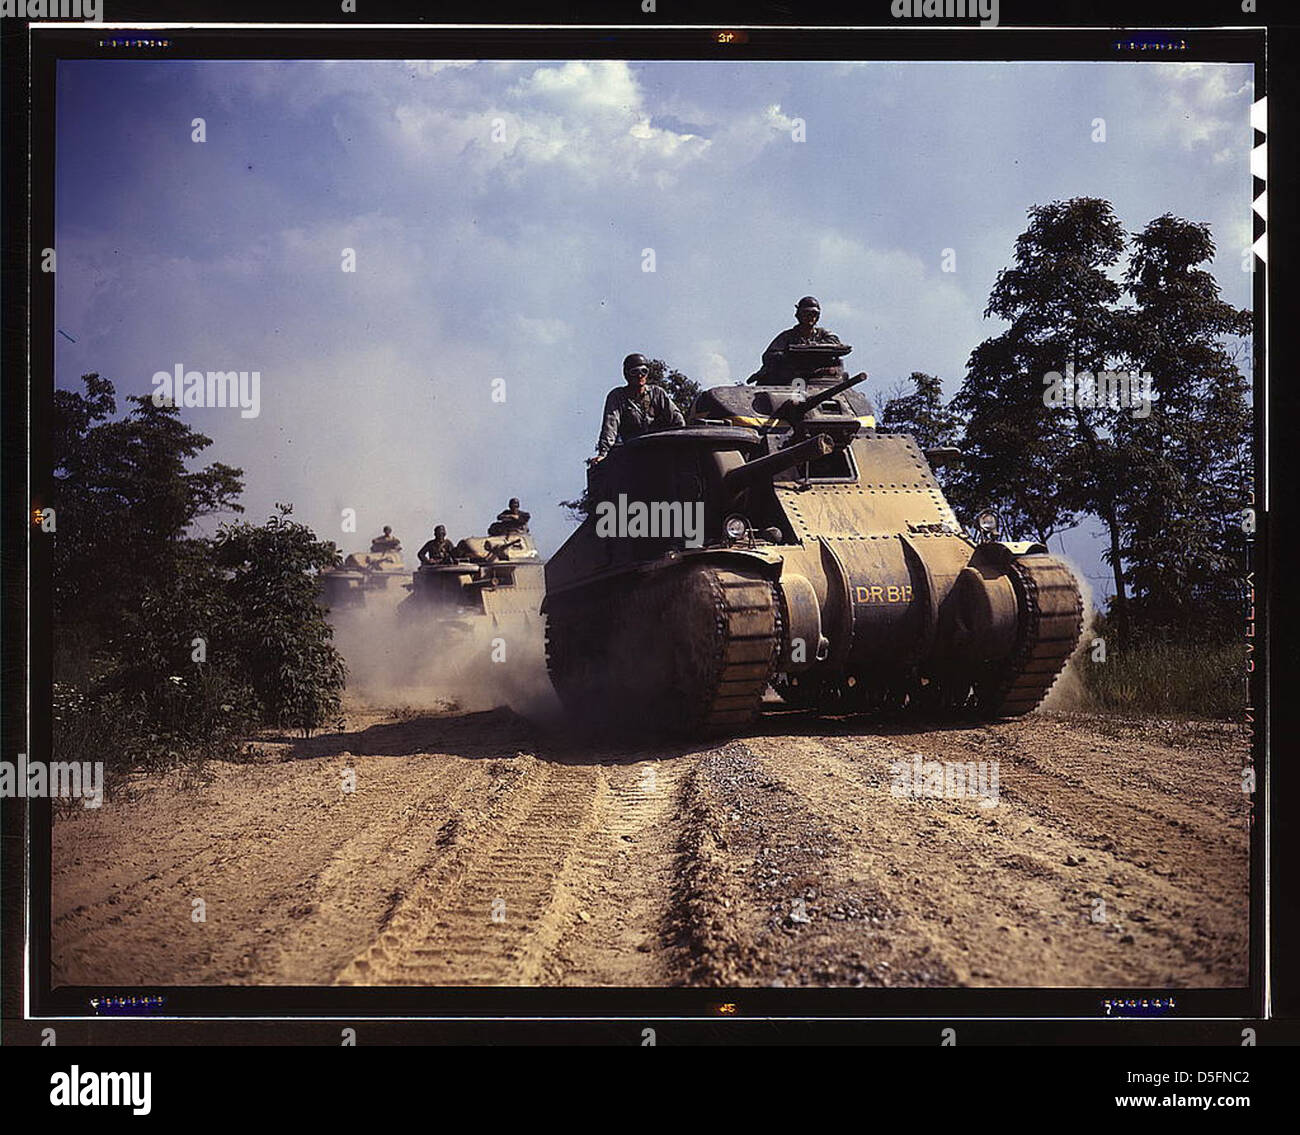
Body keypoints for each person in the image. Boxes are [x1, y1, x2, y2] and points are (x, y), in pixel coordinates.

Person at [593, 353, 685, 462]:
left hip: (660, 450)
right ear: (627, 375)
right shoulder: (618, 396)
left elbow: (677, 420)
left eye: (643, 371)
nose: (640, 376)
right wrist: (604, 453)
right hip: (633, 453)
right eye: (634, 372)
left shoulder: (657, 393)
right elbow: (610, 426)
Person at [753, 296, 846, 384]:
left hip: (821, 379)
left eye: (813, 314)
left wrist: (813, 347)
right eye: (806, 313)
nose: (810, 317)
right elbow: (769, 356)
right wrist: (790, 356)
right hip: (792, 378)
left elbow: (835, 343)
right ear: (799, 315)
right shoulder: (788, 336)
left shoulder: (824, 335)